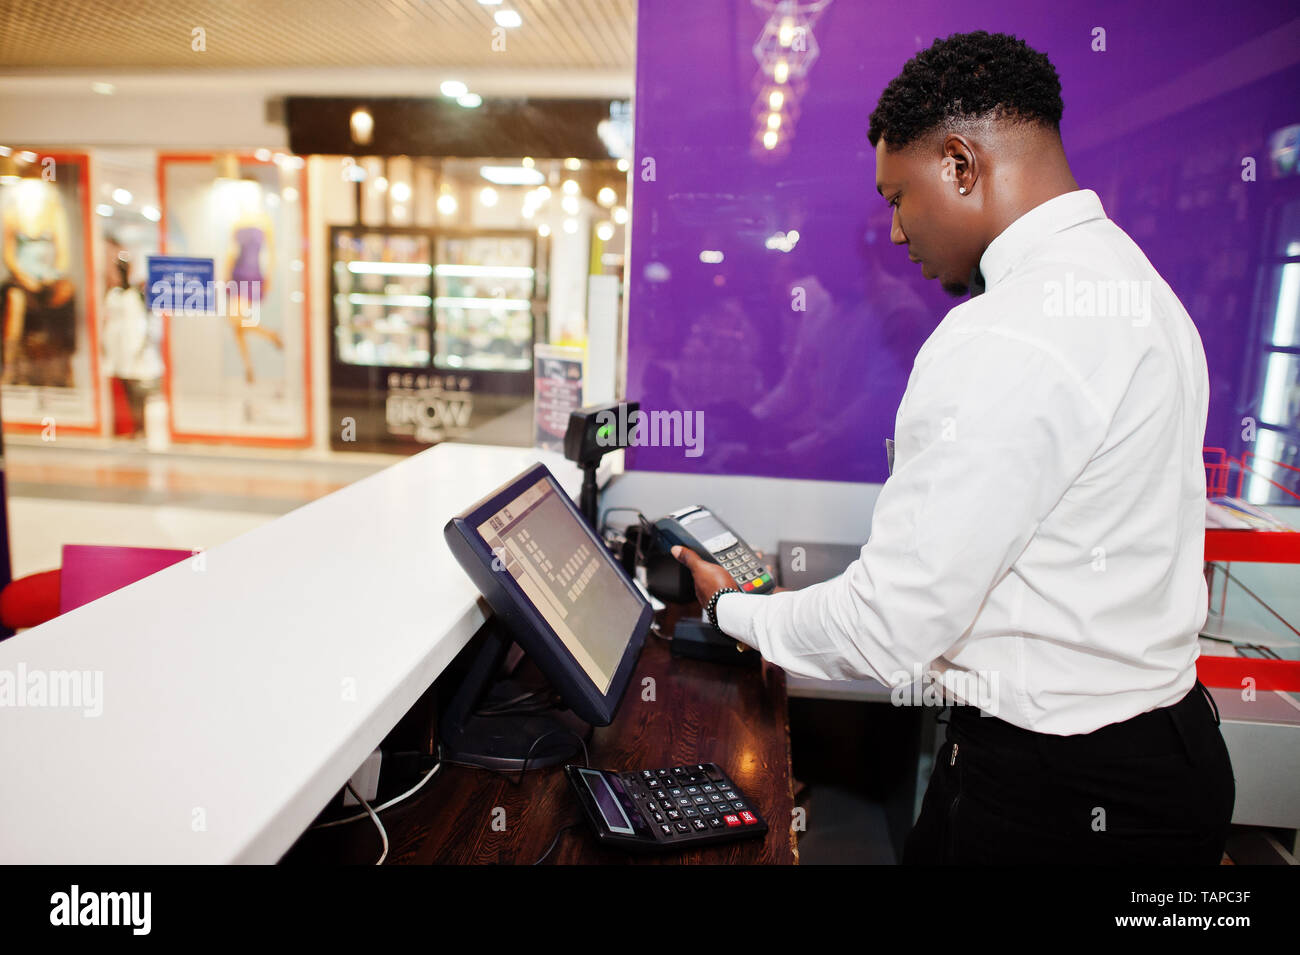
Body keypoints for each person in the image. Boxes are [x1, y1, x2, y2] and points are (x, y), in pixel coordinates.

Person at [672, 31, 1234, 864]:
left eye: (899, 196)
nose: (896, 232)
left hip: (1057, 791)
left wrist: (731, 611)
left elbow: (889, 626)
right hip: (1168, 754)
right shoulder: (1141, 289)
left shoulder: (1004, 332)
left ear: (963, 165)